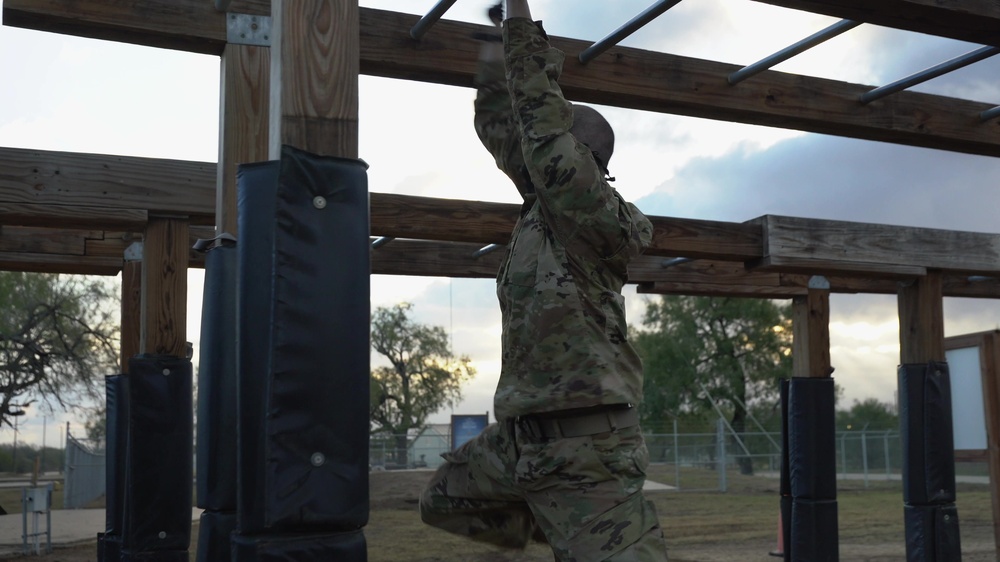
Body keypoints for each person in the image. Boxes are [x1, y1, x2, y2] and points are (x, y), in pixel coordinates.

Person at [420, 1, 668, 560]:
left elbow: (538, 124)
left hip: (588, 451)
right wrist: (492, 47)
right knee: (444, 497)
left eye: (552, 145)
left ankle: (581, 523)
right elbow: (503, 128)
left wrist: (517, 17)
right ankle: (562, 525)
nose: (530, 155)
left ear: (582, 157)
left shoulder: (592, 213)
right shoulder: (540, 212)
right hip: (520, 443)